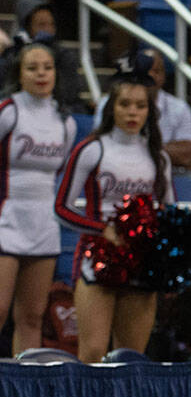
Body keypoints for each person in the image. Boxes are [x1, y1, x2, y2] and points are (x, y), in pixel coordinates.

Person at [53, 72, 175, 364]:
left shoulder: (158, 156)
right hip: (98, 259)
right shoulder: (92, 149)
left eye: (140, 105)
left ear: (149, 111)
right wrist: (102, 230)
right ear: (112, 108)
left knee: (131, 359)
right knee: (93, 354)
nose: (132, 112)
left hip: (142, 262)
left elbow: (169, 212)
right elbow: (61, 208)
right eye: (125, 104)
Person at [0, 43, 77, 356]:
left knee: (32, 315)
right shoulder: (9, 111)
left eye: (47, 67)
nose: (41, 74)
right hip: (6, 217)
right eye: (32, 68)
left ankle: (24, 386)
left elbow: (58, 172)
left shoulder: (65, 122)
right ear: (19, 74)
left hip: (44, 222)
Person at [94, 48, 191, 171]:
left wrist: (133, 147)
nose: (151, 75)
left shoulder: (180, 108)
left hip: (167, 173)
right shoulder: (108, 103)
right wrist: (160, 149)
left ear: (164, 76)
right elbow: (100, 145)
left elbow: (185, 155)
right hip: (116, 169)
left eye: (157, 71)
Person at [1, 0, 86, 113]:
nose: (48, 29)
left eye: (51, 24)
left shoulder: (64, 55)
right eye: (41, 25)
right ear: (27, 27)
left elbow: (70, 94)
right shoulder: (12, 55)